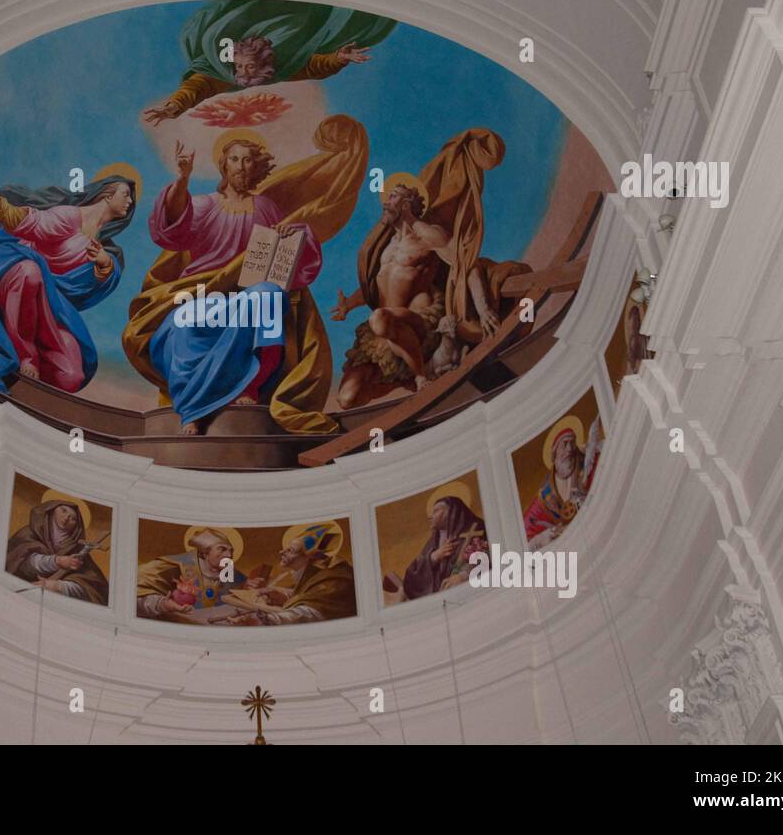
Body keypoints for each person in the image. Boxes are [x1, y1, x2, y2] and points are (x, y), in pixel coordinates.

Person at [123, 117, 369, 436]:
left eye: (248, 159)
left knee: (268, 296)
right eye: (235, 159)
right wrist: (183, 179)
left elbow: (292, 259)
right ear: (223, 165)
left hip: (248, 295)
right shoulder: (203, 205)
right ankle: (193, 409)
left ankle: (248, 387)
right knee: (187, 323)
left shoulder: (265, 208)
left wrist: (289, 233)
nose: (241, 166)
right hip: (203, 293)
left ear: (256, 167)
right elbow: (171, 231)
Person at [331, 130, 533, 408]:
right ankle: (402, 383)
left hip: (417, 322)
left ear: (409, 203)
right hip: (382, 331)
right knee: (346, 399)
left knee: (380, 318)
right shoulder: (387, 243)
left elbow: (465, 265)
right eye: (388, 197)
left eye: (393, 198)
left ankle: (419, 375)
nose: (386, 202)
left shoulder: (428, 236)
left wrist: (484, 308)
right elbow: (378, 285)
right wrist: (350, 305)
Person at [0, 168, 138, 393]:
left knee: (71, 375)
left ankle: (35, 365)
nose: (130, 201)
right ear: (108, 194)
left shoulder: (106, 248)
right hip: (13, 290)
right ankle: (25, 356)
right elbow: (36, 223)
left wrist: (104, 264)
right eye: (125, 194)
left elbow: (90, 285)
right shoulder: (71, 216)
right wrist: (4, 209)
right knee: (31, 271)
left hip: (49, 307)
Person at [142, 0, 394, 124]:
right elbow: (197, 88)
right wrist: (174, 107)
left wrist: (335, 58)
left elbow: (309, 64)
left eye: (249, 67)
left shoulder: (282, 58)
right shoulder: (225, 72)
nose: (242, 73)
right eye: (239, 66)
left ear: (263, 63)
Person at [217, 522, 356, 626]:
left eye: (291, 550)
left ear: (310, 558)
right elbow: (311, 595)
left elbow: (308, 613)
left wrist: (265, 619)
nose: (281, 552)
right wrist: (283, 596)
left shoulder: (335, 580)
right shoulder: (315, 575)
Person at [383, 484, 487, 604]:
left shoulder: (477, 528)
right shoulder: (436, 539)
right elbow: (411, 575)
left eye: (436, 511)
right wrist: (434, 557)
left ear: (452, 511)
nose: (430, 516)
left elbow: (488, 559)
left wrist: (463, 576)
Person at [5, 492, 109, 604]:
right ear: (52, 509)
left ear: (76, 527)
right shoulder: (29, 534)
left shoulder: (77, 551)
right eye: (63, 511)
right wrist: (57, 561)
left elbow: (95, 588)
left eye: (73, 518)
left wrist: (60, 587)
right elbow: (19, 562)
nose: (66, 518)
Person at [136, 527, 252, 618]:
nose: (229, 555)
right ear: (204, 553)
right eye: (222, 549)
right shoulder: (172, 566)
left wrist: (249, 590)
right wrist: (164, 604)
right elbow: (134, 589)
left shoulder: (234, 575)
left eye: (231, 551)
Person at [524, 414, 603, 544]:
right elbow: (525, 532)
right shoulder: (546, 494)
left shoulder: (589, 465)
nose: (569, 449)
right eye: (564, 444)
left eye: (572, 443)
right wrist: (542, 538)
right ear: (554, 453)